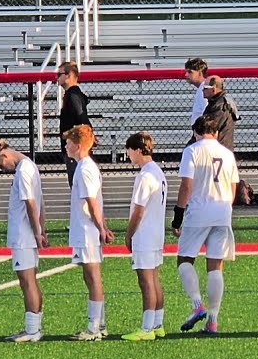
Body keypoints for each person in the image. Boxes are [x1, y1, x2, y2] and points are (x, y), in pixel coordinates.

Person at [173, 113, 239, 336]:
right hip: (222, 210)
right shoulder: (227, 154)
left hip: (199, 211)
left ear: (196, 132)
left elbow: (186, 185)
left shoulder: (192, 150)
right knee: (215, 265)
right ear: (217, 133)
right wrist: (224, 208)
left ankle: (196, 304)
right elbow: (233, 187)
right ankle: (213, 320)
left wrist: (178, 215)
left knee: (184, 259)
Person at [0, 140, 46, 342]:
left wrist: (37, 232)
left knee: (27, 282)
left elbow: (31, 203)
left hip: (24, 235)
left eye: (1, 166)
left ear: (4, 156)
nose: (3, 169)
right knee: (30, 281)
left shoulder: (24, 170)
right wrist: (41, 229)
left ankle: (32, 330)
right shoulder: (29, 166)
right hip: (27, 233)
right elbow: (40, 202)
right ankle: (33, 326)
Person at [65, 124, 114, 341]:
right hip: (86, 228)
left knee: (93, 277)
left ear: (77, 145)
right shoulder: (86, 167)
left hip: (87, 230)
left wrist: (101, 227)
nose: (65, 146)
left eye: (68, 143)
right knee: (90, 276)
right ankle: (98, 323)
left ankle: (95, 326)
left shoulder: (85, 168)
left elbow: (92, 203)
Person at [121, 132, 167, 341]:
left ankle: (147, 327)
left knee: (146, 280)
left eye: (129, 150)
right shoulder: (157, 172)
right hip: (156, 233)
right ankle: (158, 323)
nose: (128, 154)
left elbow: (138, 210)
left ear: (138, 150)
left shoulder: (145, 176)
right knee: (154, 279)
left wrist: (129, 234)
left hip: (146, 234)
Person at [57, 61, 91, 186]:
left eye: (59, 74)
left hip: (76, 148)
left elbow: (81, 117)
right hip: (75, 147)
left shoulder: (73, 96)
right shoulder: (73, 95)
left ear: (69, 75)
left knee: (78, 185)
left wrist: (86, 134)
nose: (57, 78)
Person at [202, 75, 238, 152]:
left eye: (205, 88)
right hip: (220, 148)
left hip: (219, 150)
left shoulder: (220, 107)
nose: (202, 90)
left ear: (213, 89)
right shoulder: (215, 104)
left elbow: (210, 128)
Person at [185, 57, 209, 128]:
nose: (186, 75)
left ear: (200, 73)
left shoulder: (204, 90)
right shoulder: (201, 89)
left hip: (202, 131)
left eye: (190, 72)